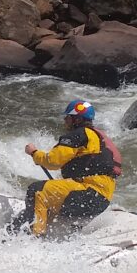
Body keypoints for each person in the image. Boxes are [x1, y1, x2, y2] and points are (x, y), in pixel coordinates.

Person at [11, 99, 122, 237]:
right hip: (100, 199)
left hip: (86, 193)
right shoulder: (96, 136)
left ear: (77, 119)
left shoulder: (79, 134)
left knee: (36, 190)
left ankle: (33, 237)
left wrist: (34, 153)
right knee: (50, 197)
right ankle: (44, 233)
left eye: (68, 117)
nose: (65, 120)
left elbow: (52, 161)